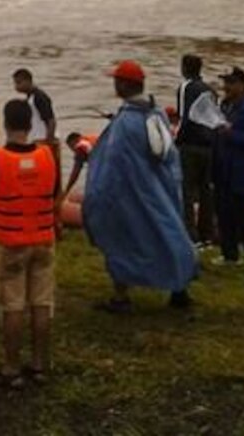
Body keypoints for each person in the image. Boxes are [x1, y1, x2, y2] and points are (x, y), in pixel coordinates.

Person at [83, 61, 197, 312]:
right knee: (169, 234)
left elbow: (113, 166)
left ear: (124, 84)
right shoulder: (156, 114)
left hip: (129, 196)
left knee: (120, 240)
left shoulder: (126, 124)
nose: (114, 85)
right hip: (160, 192)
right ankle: (179, 289)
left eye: (116, 81)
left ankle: (121, 297)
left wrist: (98, 196)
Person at [0, 100, 59, 388]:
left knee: (13, 306)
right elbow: (54, 190)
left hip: (12, 244)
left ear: (6, 124)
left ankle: (11, 368)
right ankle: (39, 365)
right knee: (41, 303)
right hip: (44, 241)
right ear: (29, 124)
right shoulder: (48, 156)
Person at [212, 67, 244, 265]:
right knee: (224, 214)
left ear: (242, 85)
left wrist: (231, 134)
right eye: (225, 83)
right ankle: (229, 255)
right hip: (224, 171)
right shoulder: (225, 106)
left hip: (243, 173)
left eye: (231, 83)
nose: (226, 87)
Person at [176, 54, 218, 246]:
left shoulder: (186, 87)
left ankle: (190, 235)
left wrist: (177, 141)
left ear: (185, 68)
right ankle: (207, 235)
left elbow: (184, 117)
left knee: (186, 190)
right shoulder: (210, 90)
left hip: (190, 145)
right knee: (205, 192)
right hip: (209, 146)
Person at [12, 68, 58, 150]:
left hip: (43, 140)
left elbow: (51, 120)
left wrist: (49, 142)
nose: (16, 87)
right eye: (15, 83)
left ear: (28, 81)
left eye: (19, 83)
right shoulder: (30, 97)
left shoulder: (39, 97)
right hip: (36, 140)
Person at [61, 131, 99, 200]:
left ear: (74, 141)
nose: (73, 151)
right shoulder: (90, 140)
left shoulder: (80, 147)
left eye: (71, 147)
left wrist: (66, 191)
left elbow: (76, 172)